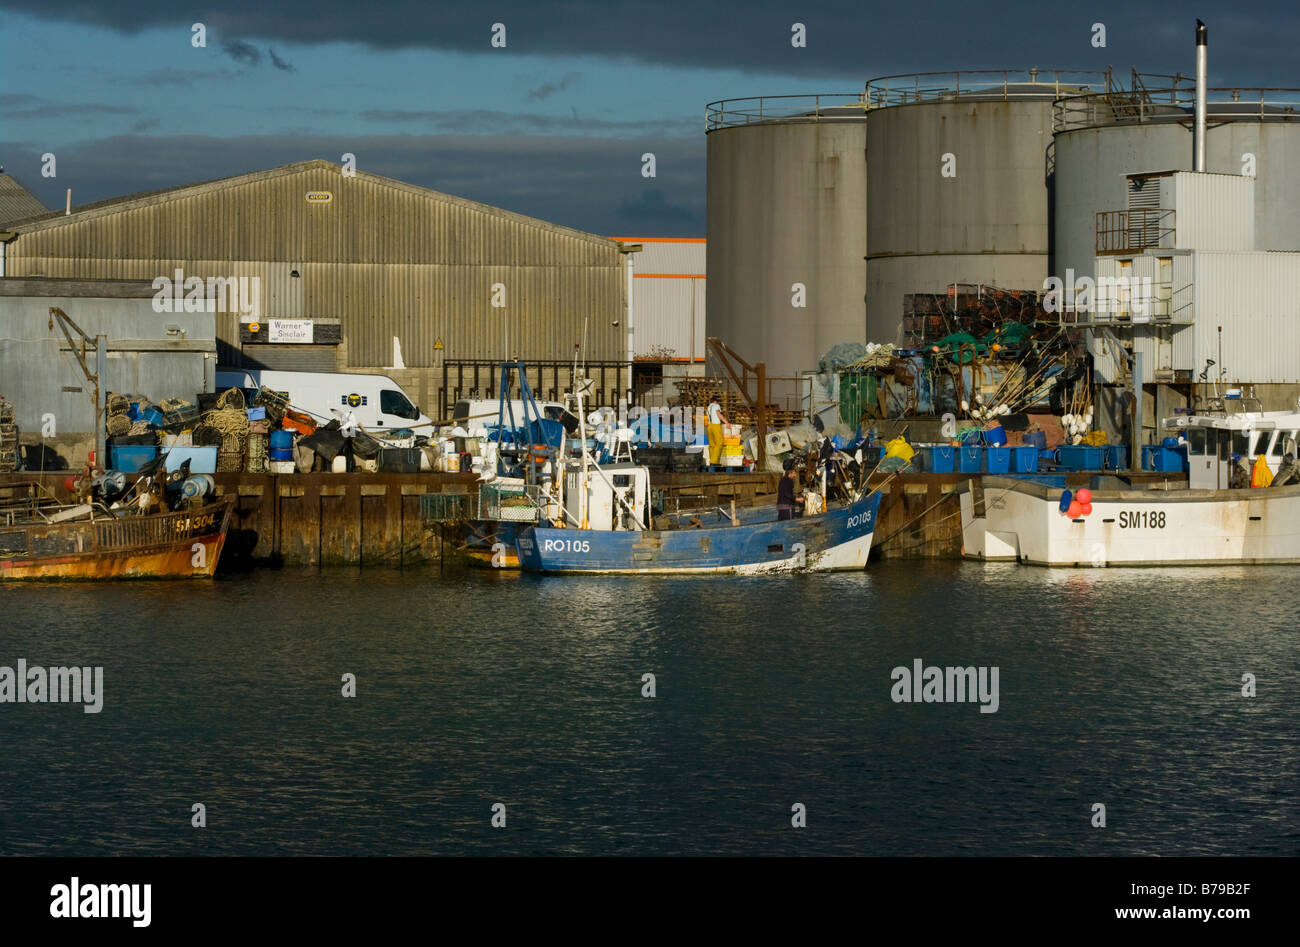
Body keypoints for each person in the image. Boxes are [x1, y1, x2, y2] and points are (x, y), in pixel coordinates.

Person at [705, 395, 727, 468]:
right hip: (715, 426)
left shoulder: (708, 407)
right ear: (715, 401)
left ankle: (713, 461)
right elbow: (718, 414)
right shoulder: (716, 405)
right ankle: (714, 461)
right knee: (719, 442)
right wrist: (726, 422)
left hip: (709, 426)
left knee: (712, 445)